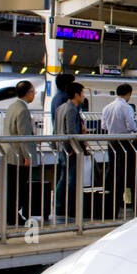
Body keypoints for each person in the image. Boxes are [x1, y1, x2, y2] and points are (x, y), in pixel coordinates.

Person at [0, 80, 36, 226]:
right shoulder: (23, 110)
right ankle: (13, 216)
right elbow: (24, 135)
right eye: (33, 91)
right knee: (17, 187)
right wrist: (28, 156)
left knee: (9, 186)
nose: (34, 94)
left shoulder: (12, 107)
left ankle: (0, 214)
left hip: (8, 152)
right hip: (18, 155)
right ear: (29, 93)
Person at [101, 83, 137, 214]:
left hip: (111, 141)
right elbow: (131, 126)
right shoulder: (126, 107)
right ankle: (126, 201)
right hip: (125, 142)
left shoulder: (107, 107)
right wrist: (136, 131)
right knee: (127, 172)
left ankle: (111, 200)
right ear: (128, 94)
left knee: (113, 169)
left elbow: (104, 126)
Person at [53, 82, 85, 219]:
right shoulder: (72, 109)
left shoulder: (60, 108)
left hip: (62, 149)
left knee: (63, 178)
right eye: (82, 93)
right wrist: (74, 148)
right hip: (70, 150)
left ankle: (59, 206)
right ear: (76, 94)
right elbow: (70, 131)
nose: (83, 96)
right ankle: (69, 207)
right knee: (72, 179)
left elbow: (57, 129)